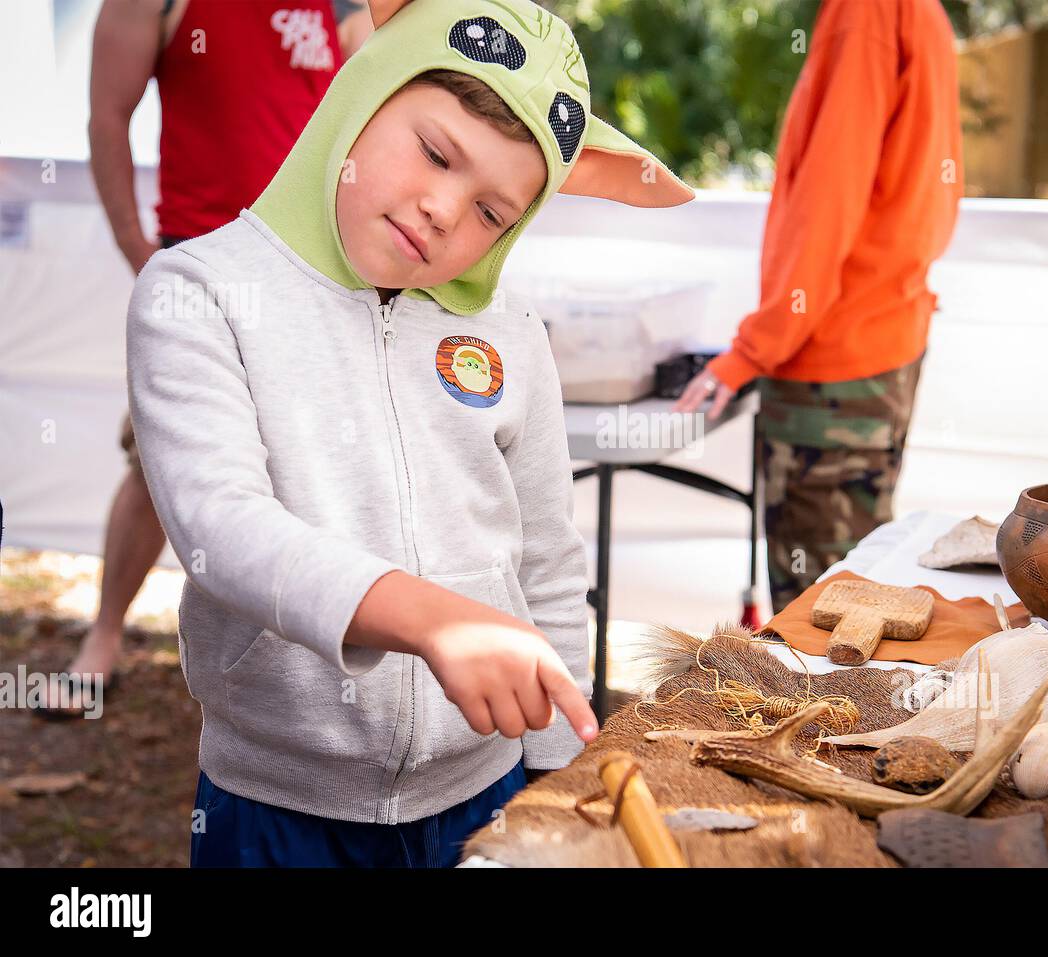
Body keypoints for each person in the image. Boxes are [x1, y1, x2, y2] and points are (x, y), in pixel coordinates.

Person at [126, 0, 694, 867]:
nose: (440, 210)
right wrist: (428, 616)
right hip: (277, 809)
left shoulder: (512, 334)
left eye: (491, 214)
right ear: (364, 90)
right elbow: (221, 527)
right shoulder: (197, 291)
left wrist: (558, 770)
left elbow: (546, 561)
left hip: (489, 792)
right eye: (435, 153)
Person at [40, 0, 371, 718]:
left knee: (314, 466)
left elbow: (369, 121)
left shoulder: (344, 4)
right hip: (207, 269)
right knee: (158, 466)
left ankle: (304, 664)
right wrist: (138, 249)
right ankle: (104, 638)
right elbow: (106, 117)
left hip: (318, 273)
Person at [674, 0, 963, 613]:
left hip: (832, 359)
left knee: (823, 623)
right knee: (856, 602)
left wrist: (752, 350)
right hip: (885, 334)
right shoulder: (920, 14)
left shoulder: (865, 14)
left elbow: (829, 199)